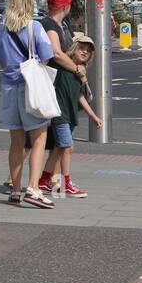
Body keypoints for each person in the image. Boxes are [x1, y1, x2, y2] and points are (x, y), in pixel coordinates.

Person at [0, 0, 56, 210]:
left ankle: (16, 190)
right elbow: (48, 56)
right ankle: (33, 188)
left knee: (16, 141)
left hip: (8, 88)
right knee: (39, 138)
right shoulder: (34, 27)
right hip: (30, 88)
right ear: (30, 3)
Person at [40, 35, 103, 197]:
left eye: (88, 51)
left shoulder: (80, 70)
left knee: (59, 148)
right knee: (67, 147)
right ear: (74, 47)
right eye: (82, 48)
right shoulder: (61, 65)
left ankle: (43, 181)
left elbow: (79, 96)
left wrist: (93, 116)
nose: (85, 52)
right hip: (59, 114)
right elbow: (55, 54)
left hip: (70, 115)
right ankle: (66, 183)